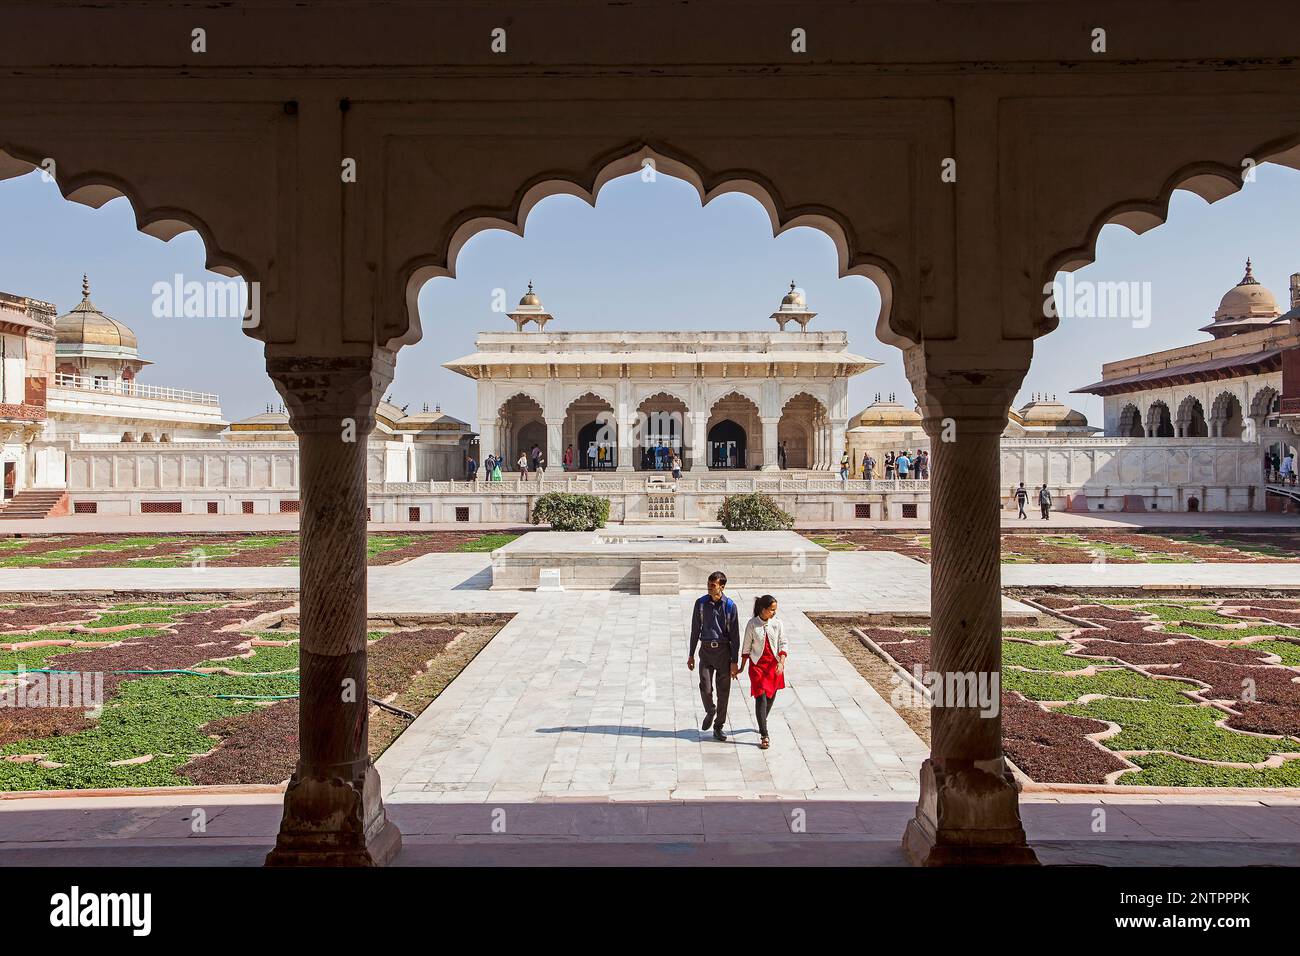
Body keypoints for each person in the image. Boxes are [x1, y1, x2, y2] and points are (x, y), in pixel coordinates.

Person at [687, 570, 741, 742]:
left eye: (713, 585)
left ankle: (718, 726)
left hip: (724, 652)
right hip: (706, 651)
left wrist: (734, 662)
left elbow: (735, 636)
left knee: (723, 693)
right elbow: (695, 629)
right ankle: (710, 710)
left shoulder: (730, 606)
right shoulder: (701, 604)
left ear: (722, 587)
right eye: (708, 584)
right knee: (705, 687)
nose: (709, 588)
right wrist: (691, 655)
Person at [741, 595, 788, 750]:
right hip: (757, 667)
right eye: (771, 610)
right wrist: (741, 667)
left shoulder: (777, 623)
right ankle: (764, 734)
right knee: (760, 698)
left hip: (774, 666)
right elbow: (746, 647)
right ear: (763, 609)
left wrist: (781, 662)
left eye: (775, 610)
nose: (774, 613)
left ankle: (762, 721)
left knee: (770, 697)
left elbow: (783, 643)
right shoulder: (752, 624)